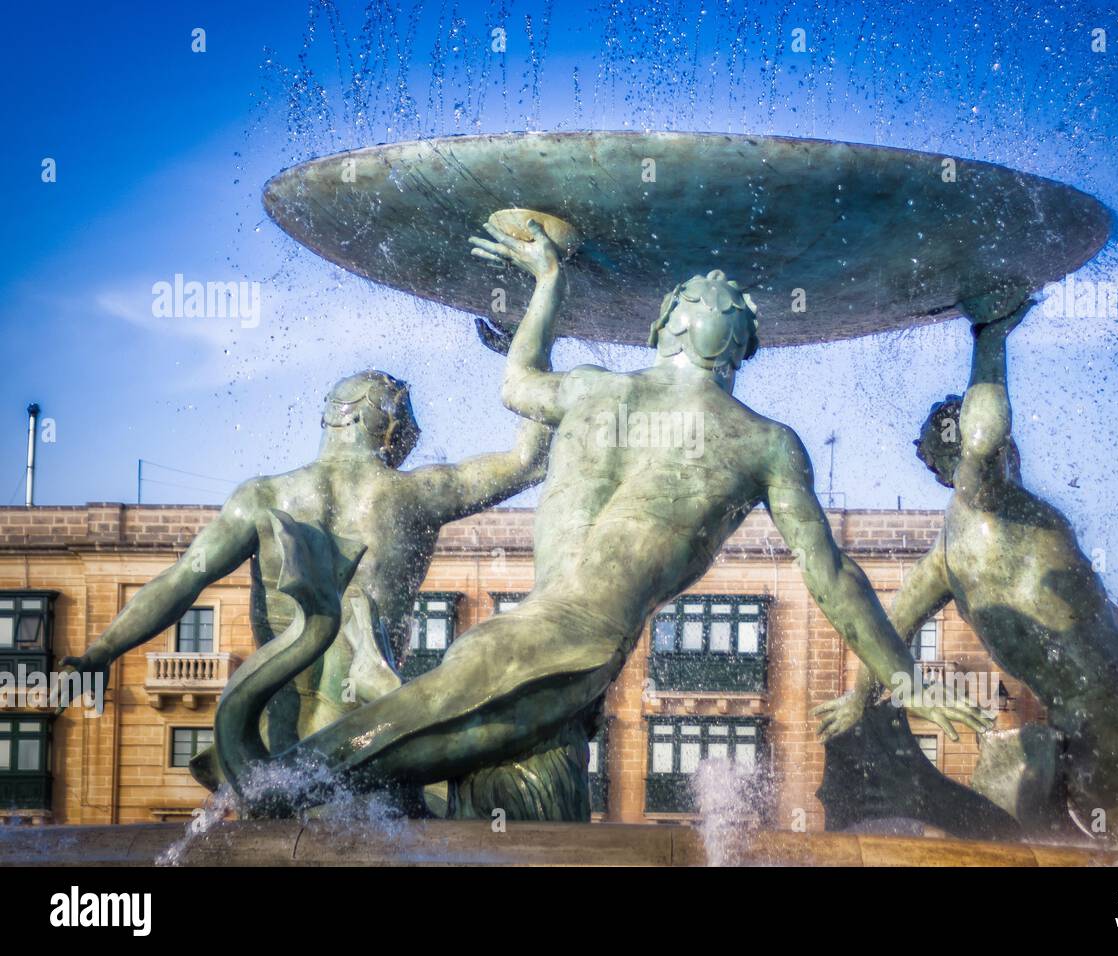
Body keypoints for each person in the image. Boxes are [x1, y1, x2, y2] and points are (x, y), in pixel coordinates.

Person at [246, 219, 990, 814]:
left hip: (531, 640)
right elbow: (832, 575)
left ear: (664, 326)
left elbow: (518, 381)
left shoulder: (596, 391)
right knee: (344, 766)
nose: (714, 300)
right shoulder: (764, 442)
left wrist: (550, 283)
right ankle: (258, 788)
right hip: (570, 650)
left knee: (385, 763)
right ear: (743, 345)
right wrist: (904, 674)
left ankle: (265, 778)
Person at [815, 294, 1118, 842]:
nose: (1003, 451)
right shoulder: (983, 511)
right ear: (960, 467)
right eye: (990, 449)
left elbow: (887, 626)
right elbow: (982, 437)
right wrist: (991, 338)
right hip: (1113, 736)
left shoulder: (943, 561)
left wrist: (857, 698)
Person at [63, 371, 550, 755]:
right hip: (368, 724)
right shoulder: (418, 493)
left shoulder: (262, 497)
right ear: (391, 427)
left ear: (330, 420)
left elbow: (181, 580)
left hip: (274, 728)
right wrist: (524, 361)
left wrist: (99, 653)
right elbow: (529, 461)